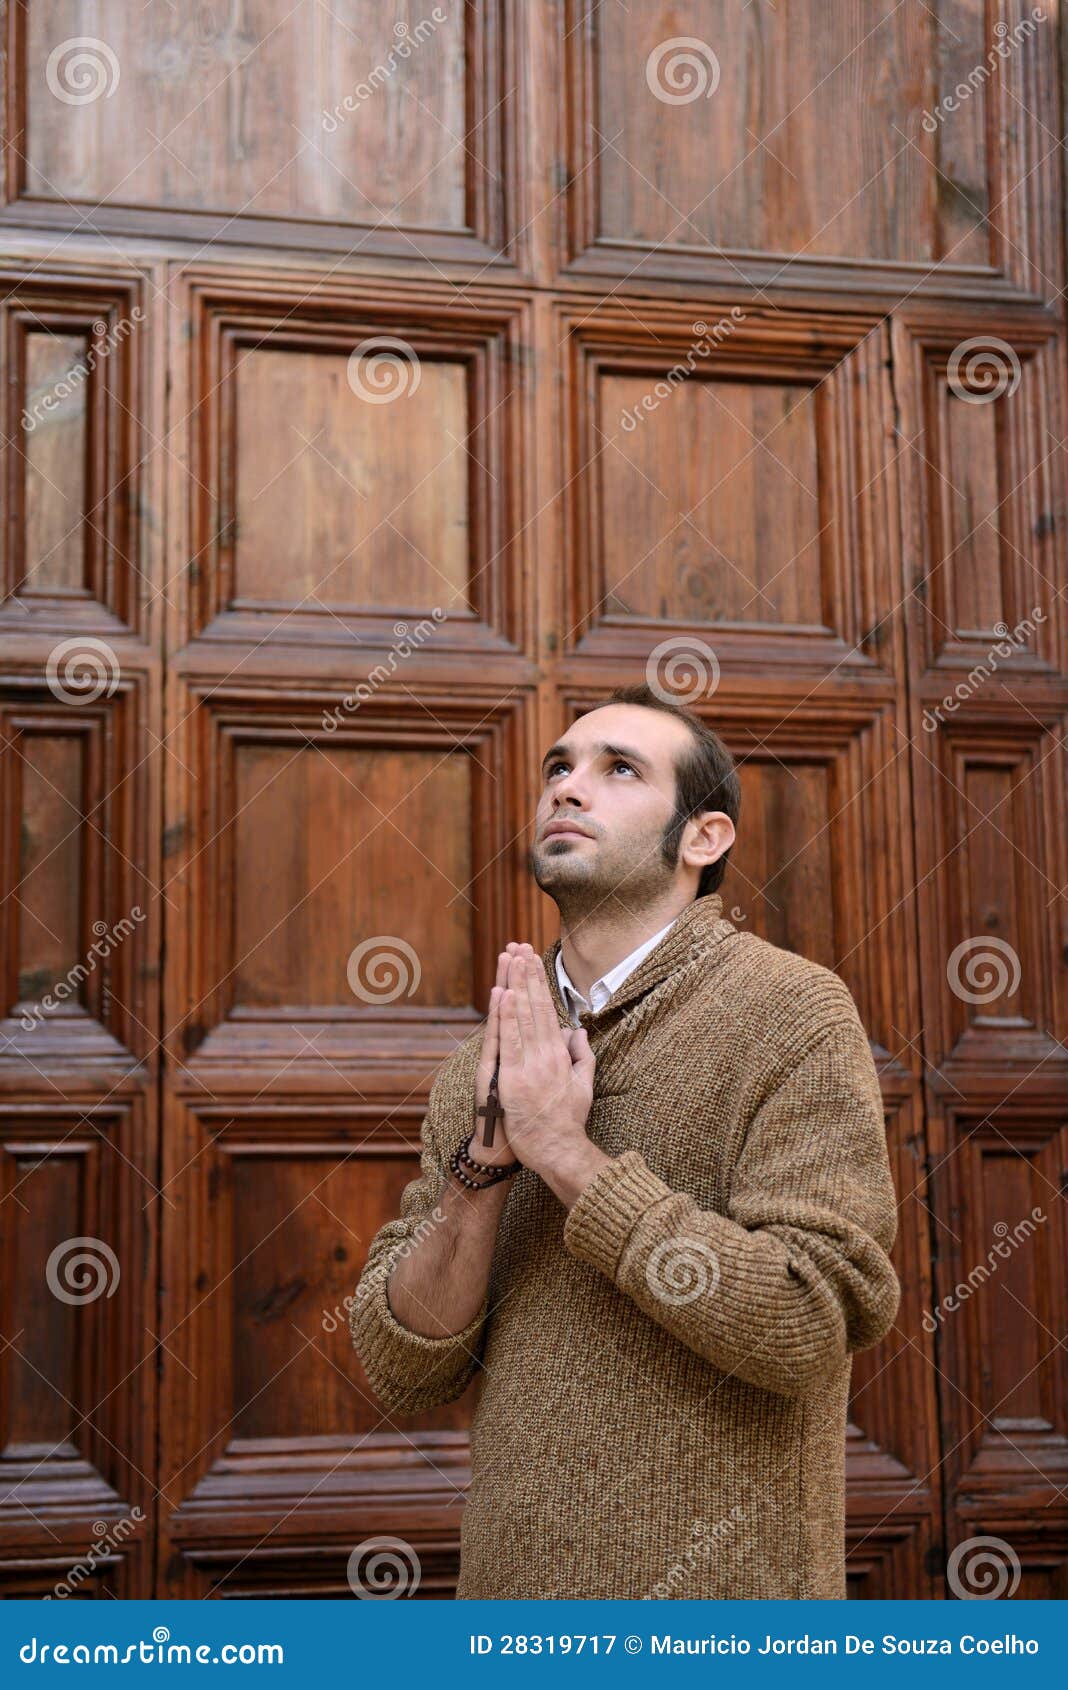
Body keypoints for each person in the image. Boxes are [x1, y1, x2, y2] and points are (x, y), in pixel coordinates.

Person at [349, 682, 899, 1599]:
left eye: (619, 770)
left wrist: (565, 1155)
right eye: (558, 767)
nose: (567, 787)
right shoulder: (488, 1066)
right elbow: (403, 1368)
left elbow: (813, 1318)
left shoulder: (791, 1013)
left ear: (703, 837)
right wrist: (483, 1164)